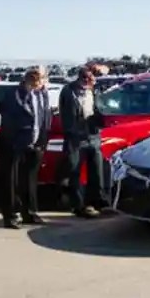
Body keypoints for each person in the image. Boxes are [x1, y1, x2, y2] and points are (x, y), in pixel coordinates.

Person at [0, 67, 52, 229]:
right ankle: (11, 214)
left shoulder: (43, 94)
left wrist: (42, 142)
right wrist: (14, 139)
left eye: (42, 79)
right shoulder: (14, 94)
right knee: (11, 181)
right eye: (39, 79)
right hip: (14, 144)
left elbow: (45, 118)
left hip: (36, 144)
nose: (41, 82)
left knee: (29, 180)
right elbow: (8, 118)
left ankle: (30, 212)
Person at [58, 67, 107, 218]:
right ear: (82, 78)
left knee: (96, 170)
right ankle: (78, 205)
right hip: (76, 137)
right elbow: (64, 113)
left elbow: (101, 110)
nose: (91, 81)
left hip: (93, 136)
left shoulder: (95, 91)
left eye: (93, 79)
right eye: (89, 78)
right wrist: (72, 131)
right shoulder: (68, 91)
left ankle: (96, 202)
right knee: (75, 172)